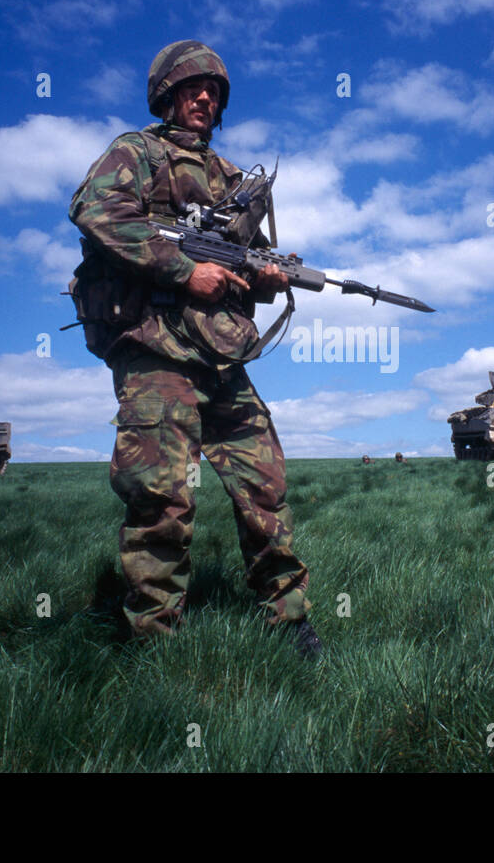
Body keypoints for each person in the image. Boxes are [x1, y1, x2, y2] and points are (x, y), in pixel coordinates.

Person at [68, 40, 321, 657]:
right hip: (155, 352)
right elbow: (96, 212)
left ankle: (289, 622)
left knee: (264, 486)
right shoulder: (136, 152)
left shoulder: (232, 180)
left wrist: (261, 281)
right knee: (162, 497)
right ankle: (155, 641)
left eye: (214, 92)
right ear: (167, 95)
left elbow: (237, 269)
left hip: (221, 358)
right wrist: (183, 271)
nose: (205, 97)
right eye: (192, 88)